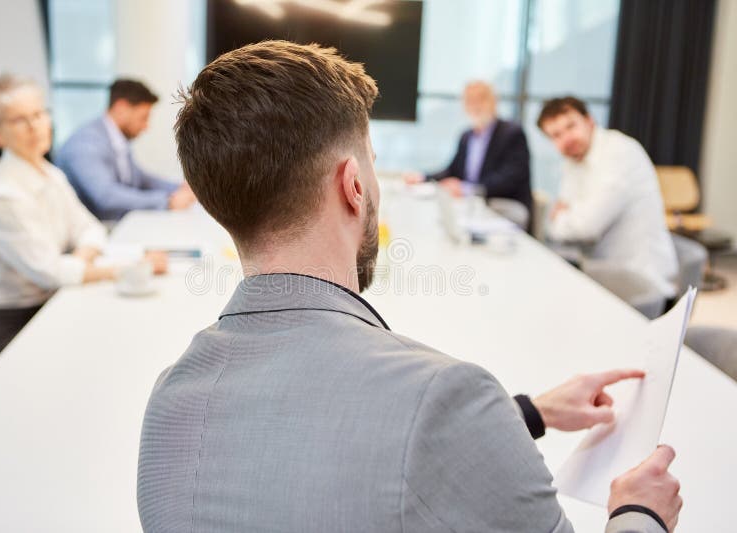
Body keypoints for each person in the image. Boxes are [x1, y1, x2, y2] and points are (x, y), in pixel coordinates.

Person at [137, 42, 681, 532]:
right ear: (354, 186)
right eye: (371, 166)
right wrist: (640, 513)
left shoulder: (169, 403)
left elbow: (327, 461)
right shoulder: (444, 393)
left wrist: (523, 415)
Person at [0, 74, 167, 362]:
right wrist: (129, 268)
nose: (35, 126)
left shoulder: (50, 173)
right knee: (81, 355)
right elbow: (51, 273)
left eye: (39, 114)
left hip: (42, 301)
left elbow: (90, 229)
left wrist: (78, 261)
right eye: (19, 120)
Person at [538, 96, 679, 300]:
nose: (566, 139)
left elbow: (586, 227)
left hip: (642, 287)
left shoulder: (618, 152)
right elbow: (557, 220)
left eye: (570, 126)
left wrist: (562, 217)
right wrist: (564, 218)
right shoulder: (574, 161)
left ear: (589, 121)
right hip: (602, 277)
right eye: (556, 135)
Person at [56, 79, 196, 221]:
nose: (146, 126)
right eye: (143, 118)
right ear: (121, 108)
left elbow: (140, 179)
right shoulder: (86, 143)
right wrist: (167, 201)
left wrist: (180, 187)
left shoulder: (116, 139)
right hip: (97, 228)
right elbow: (106, 196)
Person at [406, 81, 532, 217]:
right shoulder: (466, 136)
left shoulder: (512, 133)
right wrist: (423, 177)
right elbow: (452, 171)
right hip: (472, 206)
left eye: (481, 99)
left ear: (493, 102)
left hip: (504, 206)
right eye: (469, 100)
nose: (475, 105)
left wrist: (467, 189)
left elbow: (509, 179)